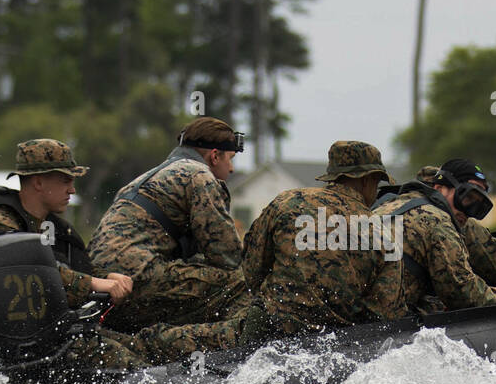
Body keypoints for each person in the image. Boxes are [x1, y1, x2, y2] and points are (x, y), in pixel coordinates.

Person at [122, 140, 406, 366]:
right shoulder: (383, 232)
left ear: (333, 175)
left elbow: (251, 269)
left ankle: (120, 347)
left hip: (267, 329)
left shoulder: (288, 203)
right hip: (335, 343)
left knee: (171, 339)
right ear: (369, 180)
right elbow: (383, 311)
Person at [0, 138, 136, 368]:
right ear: (38, 182)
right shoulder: (1, 223)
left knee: (138, 347)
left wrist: (108, 278)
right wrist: (96, 284)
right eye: (65, 181)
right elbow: (33, 275)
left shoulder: (51, 227)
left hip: (45, 333)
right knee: (123, 362)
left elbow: (68, 266)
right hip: (15, 341)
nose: (72, 189)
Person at [89, 117, 247, 333]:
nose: (232, 169)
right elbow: (227, 256)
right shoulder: (199, 176)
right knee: (238, 280)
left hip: (103, 286)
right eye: (230, 159)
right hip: (138, 283)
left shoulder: (147, 178)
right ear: (215, 156)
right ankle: (237, 346)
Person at [374, 159, 496, 312]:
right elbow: (461, 292)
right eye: (466, 198)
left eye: (477, 205)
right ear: (439, 189)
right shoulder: (438, 221)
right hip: (385, 321)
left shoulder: (389, 204)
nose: (468, 212)